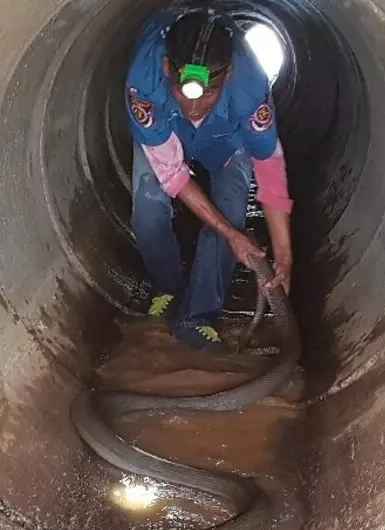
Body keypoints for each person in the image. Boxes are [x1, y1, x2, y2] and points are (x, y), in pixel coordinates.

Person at [124, 8, 294, 350]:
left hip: (226, 140)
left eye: (208, 95)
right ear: (167, 69)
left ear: (228, 75)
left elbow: (268, 166)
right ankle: (168, 288)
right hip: (163, 133)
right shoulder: (143, 83)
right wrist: (232, 236)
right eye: (182, 92)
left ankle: (197, 315)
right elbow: (171, 173)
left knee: (230, 210)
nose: (194, 107)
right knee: (148, 211)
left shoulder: (250, 84)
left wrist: (284, 256)